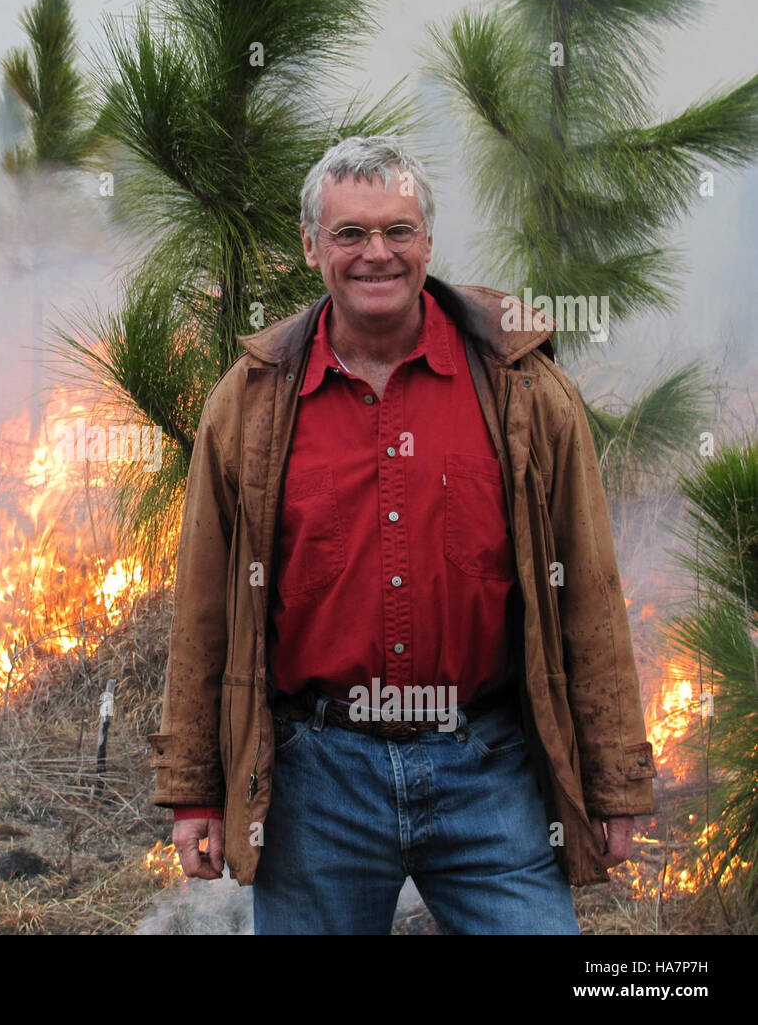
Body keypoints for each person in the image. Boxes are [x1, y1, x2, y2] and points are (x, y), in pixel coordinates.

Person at [149, 134, 657, 934]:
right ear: (312, 246)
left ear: (428, 241)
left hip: (488, 768)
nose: (375, 253)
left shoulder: (524, 388)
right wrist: (195, 790)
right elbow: (205, 610)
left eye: (398, 230)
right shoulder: (248, 404)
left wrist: (615, 780)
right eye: (350, 233)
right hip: (318, 780)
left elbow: (590, 591)